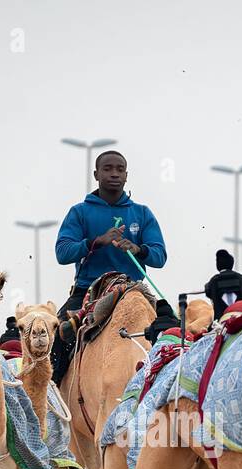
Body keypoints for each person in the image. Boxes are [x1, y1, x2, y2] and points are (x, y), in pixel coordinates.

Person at [52, 150, 167, 382]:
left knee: (169, 332)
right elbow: (62, 253)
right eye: (107, 169)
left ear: (126, 175)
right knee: (56, 338)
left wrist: (139, 249)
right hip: (87, 293)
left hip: (133, 291)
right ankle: (48, 398)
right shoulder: (80, 212)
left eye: (120, 169)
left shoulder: (142, 213)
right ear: (96, 174)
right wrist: (96, 242)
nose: (114, 174)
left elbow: (160, 256)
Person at [203, 248, 242, 320]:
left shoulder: (213, 281)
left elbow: (208, 292)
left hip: (221, 323)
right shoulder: (241, 279)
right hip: (241, 320)